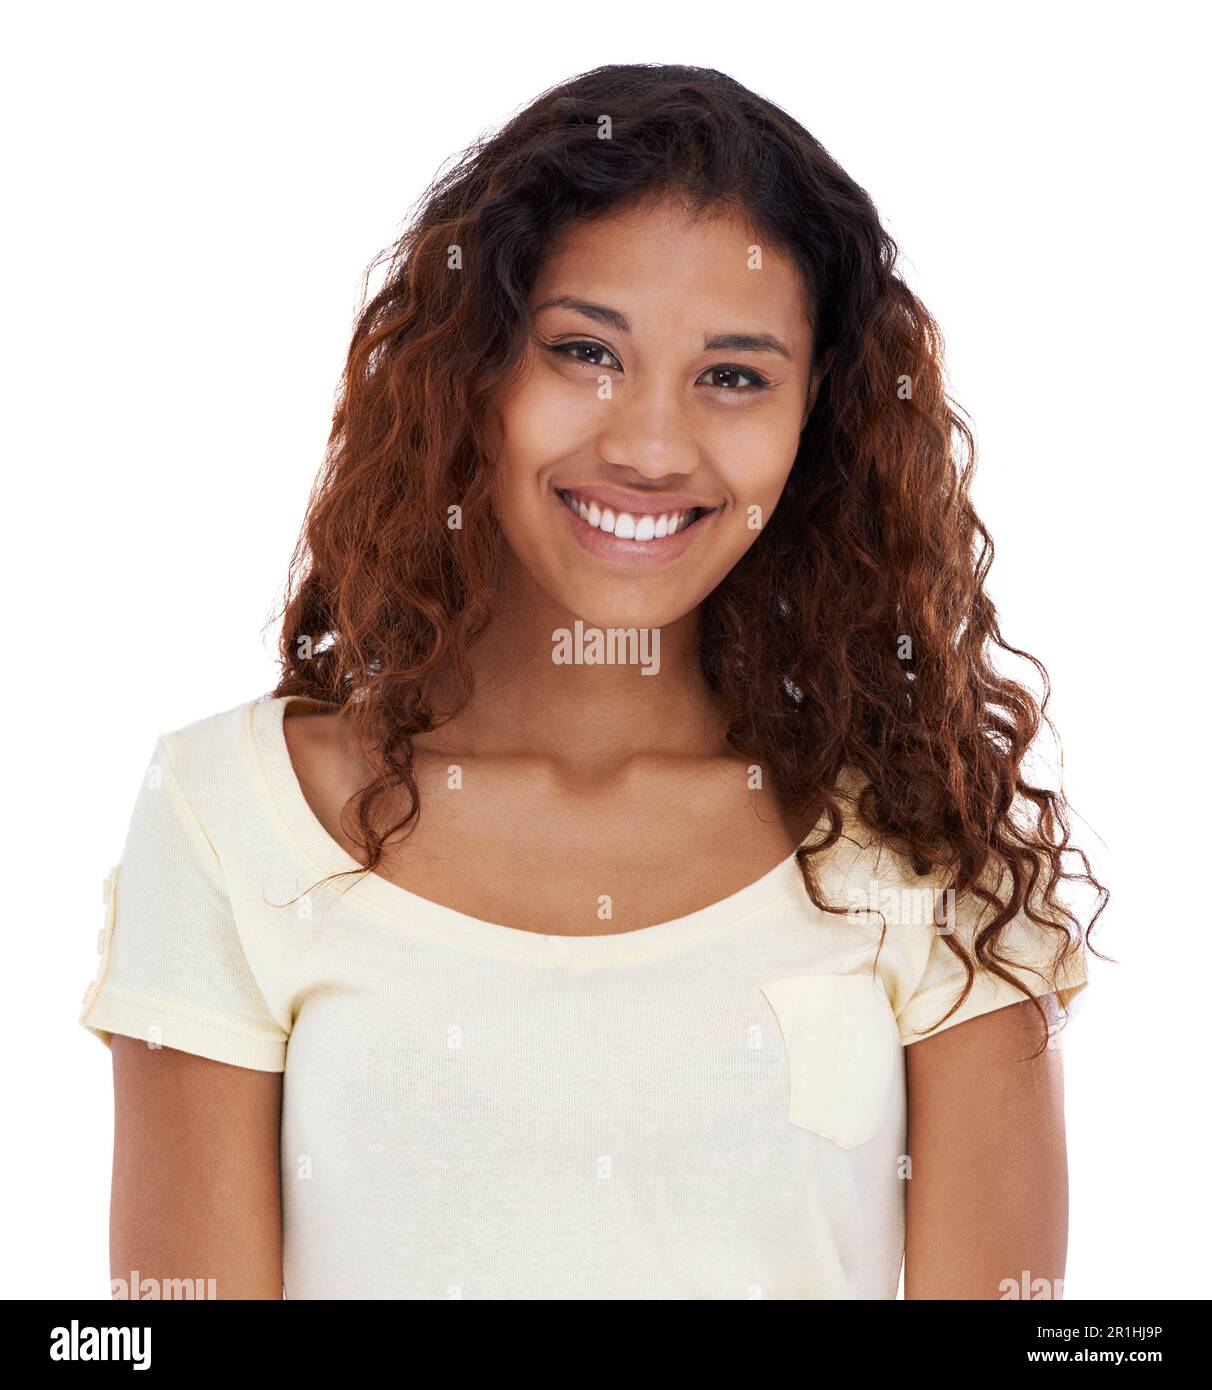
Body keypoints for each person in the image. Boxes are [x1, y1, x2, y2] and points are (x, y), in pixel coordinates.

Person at [79, 63, 1105, 1300]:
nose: (650, 446)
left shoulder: (925, 835)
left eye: (733, 375)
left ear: (813, 422)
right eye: (584, 351)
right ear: (474, 372)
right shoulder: (234, 813)